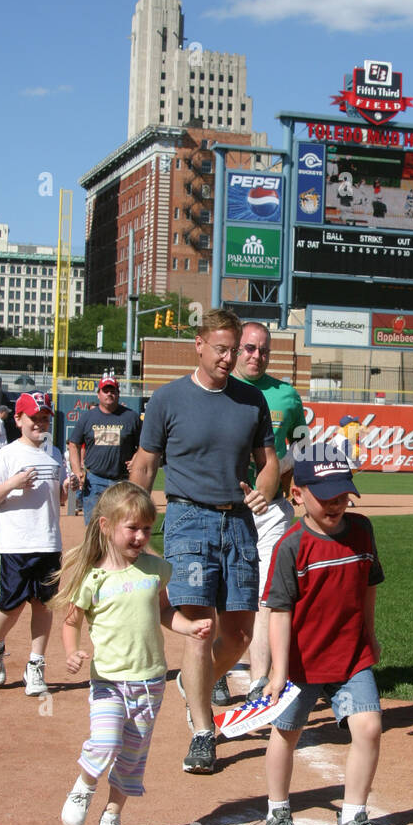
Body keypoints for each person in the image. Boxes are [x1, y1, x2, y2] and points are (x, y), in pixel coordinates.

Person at [128, 308, 279, 776]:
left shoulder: (252, 401)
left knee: (238, 634)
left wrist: (265, 490)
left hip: (238, 524)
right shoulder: (169, 399)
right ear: (198, 344)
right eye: (221, 349)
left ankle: (193, 685)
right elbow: (145, 466)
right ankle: (202, 731)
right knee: (199, 630)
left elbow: (268, 461)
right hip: (189, 521)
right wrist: (136, 526)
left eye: (235, 349)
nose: (229, 358)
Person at [53, 482, 212, 825]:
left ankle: (112, 815)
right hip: (109, 681)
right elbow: (71, 621)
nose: (140, 536)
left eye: (146, 528)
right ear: (106, 526)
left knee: (132, 757)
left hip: (150, 682)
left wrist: (189, 627)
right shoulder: (93, 576)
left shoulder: (155, 569)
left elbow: (164, 612)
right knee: (106, 742)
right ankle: (85, 786)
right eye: (132, 528)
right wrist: (72, 651)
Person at [261, 445, 392, 825]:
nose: (337, 503)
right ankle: (278, 812)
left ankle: (352, 820)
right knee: (286, 733)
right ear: (297, 494)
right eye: (325, 495)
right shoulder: (292, 546)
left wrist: (369, 634)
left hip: (351, 656)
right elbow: (278, 612)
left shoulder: (362, 531)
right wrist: (278, 670)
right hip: (302, 661)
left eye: (343, 494)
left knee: (369, 728)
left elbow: (369, 586)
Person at [232, 321, 306, 702]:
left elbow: (301, 444)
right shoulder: (219, 388)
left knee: (266, 595)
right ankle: (219, 665)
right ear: (236, 348)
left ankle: (259, 679)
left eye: (263, 350)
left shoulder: (286, 397)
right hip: (225, 507)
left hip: (272, 509)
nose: (255, 356)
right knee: (222, 590)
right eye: (249, 348)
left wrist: (283, 470)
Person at [0, 392, 71, 696]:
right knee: (10, 605)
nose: (41, 423)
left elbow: (57, 499)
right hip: (16, 542)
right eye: (34, 417)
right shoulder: (8, 455)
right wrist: (13, 483)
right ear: (18, 419)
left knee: (44, 605)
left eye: (45, 417)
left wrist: (65, 490)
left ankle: (36, 664)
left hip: (48, 542)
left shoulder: (55, 454)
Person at [66, 377, 142, 525]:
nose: (109, 394)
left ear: (118, 394)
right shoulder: (88, 417)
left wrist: (136, 459)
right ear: (98, 394)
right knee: (94, 526)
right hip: (94, 481)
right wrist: (77, 470)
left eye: (112, 391)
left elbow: (145, 445)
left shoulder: (131, 417)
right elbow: (73, 443)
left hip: (122, 481)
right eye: (105, 390)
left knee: (121, 525)